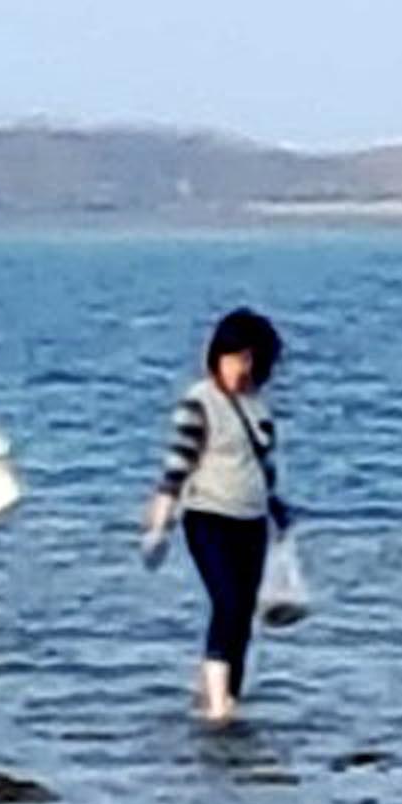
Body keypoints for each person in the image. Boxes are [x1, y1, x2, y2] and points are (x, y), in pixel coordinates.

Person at [140, 307, 287, 723]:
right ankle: (218, 707)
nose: (244, 369)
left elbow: (266, 470)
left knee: (242, 613)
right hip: (208, 516)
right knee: (226, 602)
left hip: (253, 519)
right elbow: (177, 465)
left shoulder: (260, 409)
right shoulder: (199, 402)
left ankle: (225, 695)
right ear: (218, 355)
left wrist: (280, 518)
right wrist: (160, 524)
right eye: (237, 358)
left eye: (253, 360)